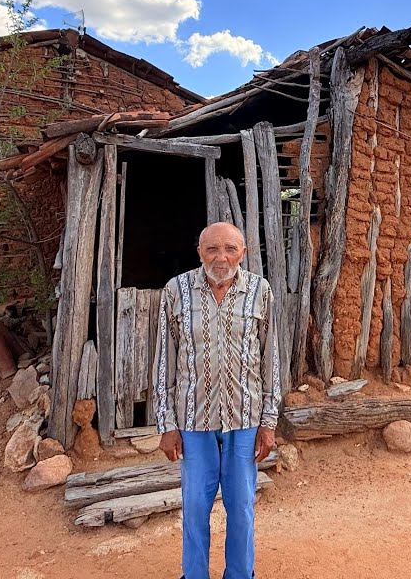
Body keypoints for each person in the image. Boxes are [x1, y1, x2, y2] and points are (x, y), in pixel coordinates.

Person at [154, 221, 281, 579]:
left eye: (230, 248)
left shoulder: (260, 291)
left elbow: (271, 360)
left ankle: (240, 574)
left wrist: (269, 422)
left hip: (245, 420)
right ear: (199, 252)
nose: (220, 257)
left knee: (241, 508)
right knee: (195, 507)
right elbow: (164, 361)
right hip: (193, 422)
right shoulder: (176, 291)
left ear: (244, 252)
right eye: (212, 249)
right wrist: (166, 424)